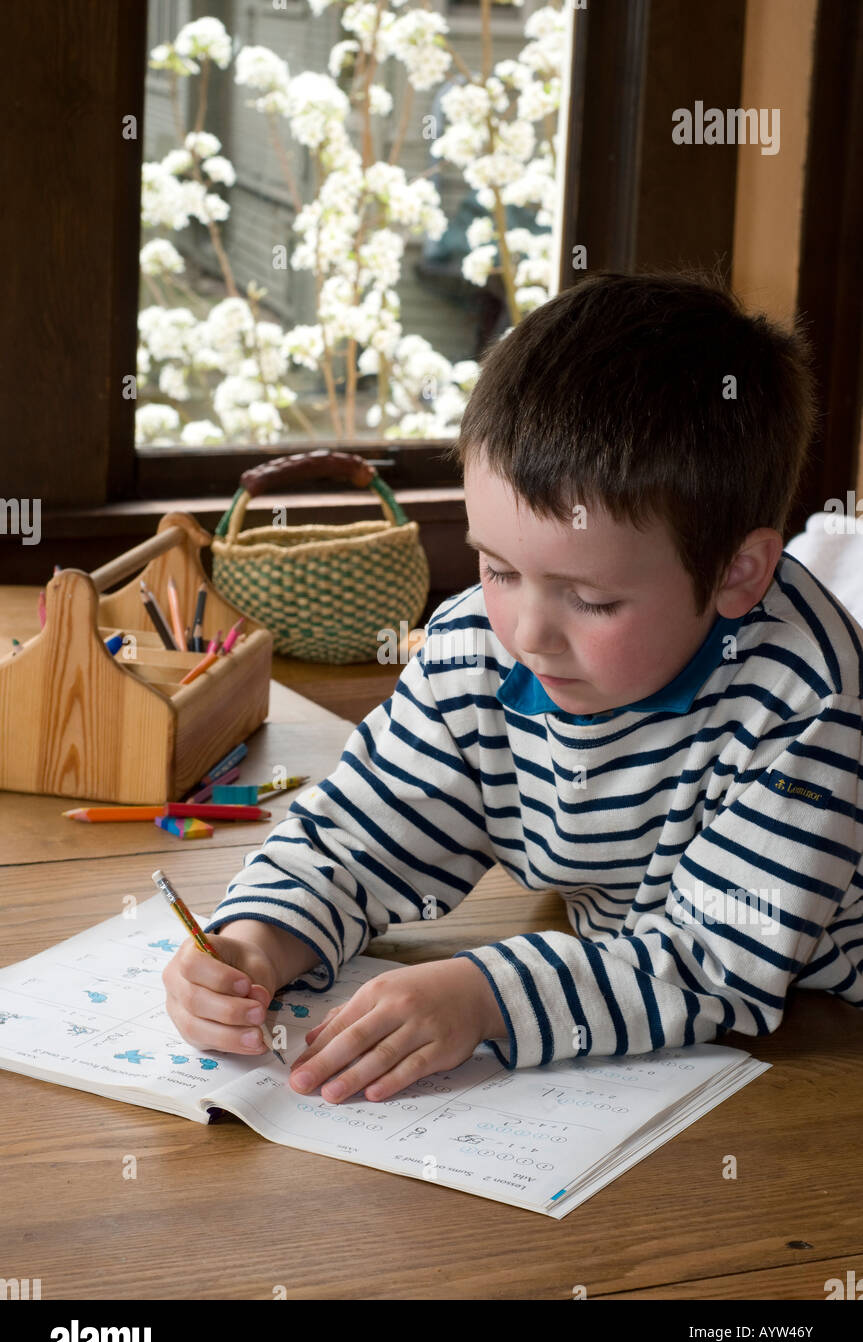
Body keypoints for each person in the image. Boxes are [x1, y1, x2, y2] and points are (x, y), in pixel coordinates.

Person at [163, 269, 863, 1107]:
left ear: (736, 574)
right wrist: (258, 939)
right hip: (631, 1011)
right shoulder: (476, 646)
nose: (526, 634)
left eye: (591, 599)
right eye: (496, 569)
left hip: (815, 1035)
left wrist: (486, 996)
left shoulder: (809, 695)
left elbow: (717, 962)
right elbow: (358, 837)